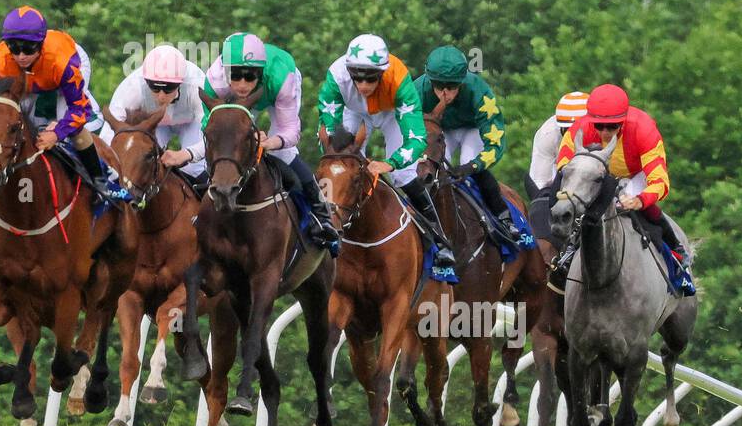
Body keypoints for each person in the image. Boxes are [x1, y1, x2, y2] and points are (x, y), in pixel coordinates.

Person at [317, 33, 455, 268]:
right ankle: (323, 224)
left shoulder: (399, 79)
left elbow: (417, 138)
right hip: (354, 113)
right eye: (357, 79)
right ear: (348, 70)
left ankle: (439, 240)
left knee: (402, 176)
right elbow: (328, 130)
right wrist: (339, 153)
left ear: (383, 73)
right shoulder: (336, 75)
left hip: (391, 114)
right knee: (340, 167)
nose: (363, 86)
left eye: (371, 79)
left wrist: (390, 163)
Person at [204, 31, 339, 252]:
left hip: (275, 93)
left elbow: (290, 131)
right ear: (224, 70)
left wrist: (267, 143)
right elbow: (209, 129)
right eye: (235, 75)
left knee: (282, 153)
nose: (242, 84)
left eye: (250, 76)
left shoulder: (281, 77)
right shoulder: (214, 81)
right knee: (221, 150)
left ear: (261, 72)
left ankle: (321, 214)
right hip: (234, 106)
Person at [0, 5, 128, 202]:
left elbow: (80, 111)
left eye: (28, 48)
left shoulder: (63, 63)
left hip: (62, 73)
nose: (21, 56)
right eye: (14, 48)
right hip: (30, 81)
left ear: (41, 44)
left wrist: (57, 132)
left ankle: (101, 181)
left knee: (69, 126)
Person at [554, 83, 688, 267]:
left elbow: (660, 181)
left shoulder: (643, 129)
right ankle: (567, 248)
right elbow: (563, 163)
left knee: (641, 207)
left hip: (634, 175)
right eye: (599, 126)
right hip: (598, 175)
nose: (605, 132)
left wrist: (640, 200)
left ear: (623, 121)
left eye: (611, 126)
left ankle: (675, 249)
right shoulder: (581, 127)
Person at [413, 45, 519, 242]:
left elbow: (495, 143)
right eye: (439, 87)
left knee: (468, 159)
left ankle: (503, 217)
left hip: (473, 129)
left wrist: (472, 166)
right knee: (428, 166)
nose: (445, 94)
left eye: (452, 87)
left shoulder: (479, 92)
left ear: (462, 82)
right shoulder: (417, 91)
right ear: (430, 81)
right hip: (440, 130)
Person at [108, 43, 209, 193]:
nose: (161, 96)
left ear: (181, 83)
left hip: (192, 122)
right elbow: (110, 132)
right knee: (144, 163)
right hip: (155, 123)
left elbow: (214, 135)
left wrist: (187, 154)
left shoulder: (197, 84)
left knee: (193, 169)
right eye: (154, 87)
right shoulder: (133, 86)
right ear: (146, 81)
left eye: (169, 88)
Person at [527, 91, 589, 198]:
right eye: (567, 130)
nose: (572, 135)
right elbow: (540, 181)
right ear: (560, 127)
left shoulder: (603, 130)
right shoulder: (547, 134)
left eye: (578, 130)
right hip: (559, 178)